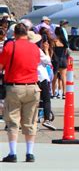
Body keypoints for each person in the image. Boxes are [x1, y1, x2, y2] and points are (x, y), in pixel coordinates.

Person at [0, 23, 41, 163]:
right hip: (33, 87)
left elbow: (1, 65)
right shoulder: (35, 48)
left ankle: (13, 153)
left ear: (15, 34)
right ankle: (30, 153)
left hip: (15, 87)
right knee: (30, 121)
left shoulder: (10, 46)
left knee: (12, 122)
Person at [32, 31, 56, 131]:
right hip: (42, 77)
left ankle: (33, 121)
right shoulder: (38, 50)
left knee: (34, 101)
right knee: (46, 99)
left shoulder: (28, 50)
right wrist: (46, 50)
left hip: (32, 78)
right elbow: (47, 61)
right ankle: (46, 119)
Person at [52, 27, 68, 99]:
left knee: (54, 78)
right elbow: (66, 52)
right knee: (63, 77)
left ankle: (54, 93)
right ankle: (64, 93)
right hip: (63, 59)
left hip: (56, 60)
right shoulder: (64, 41)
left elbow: (52, 52)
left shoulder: (54, 41)